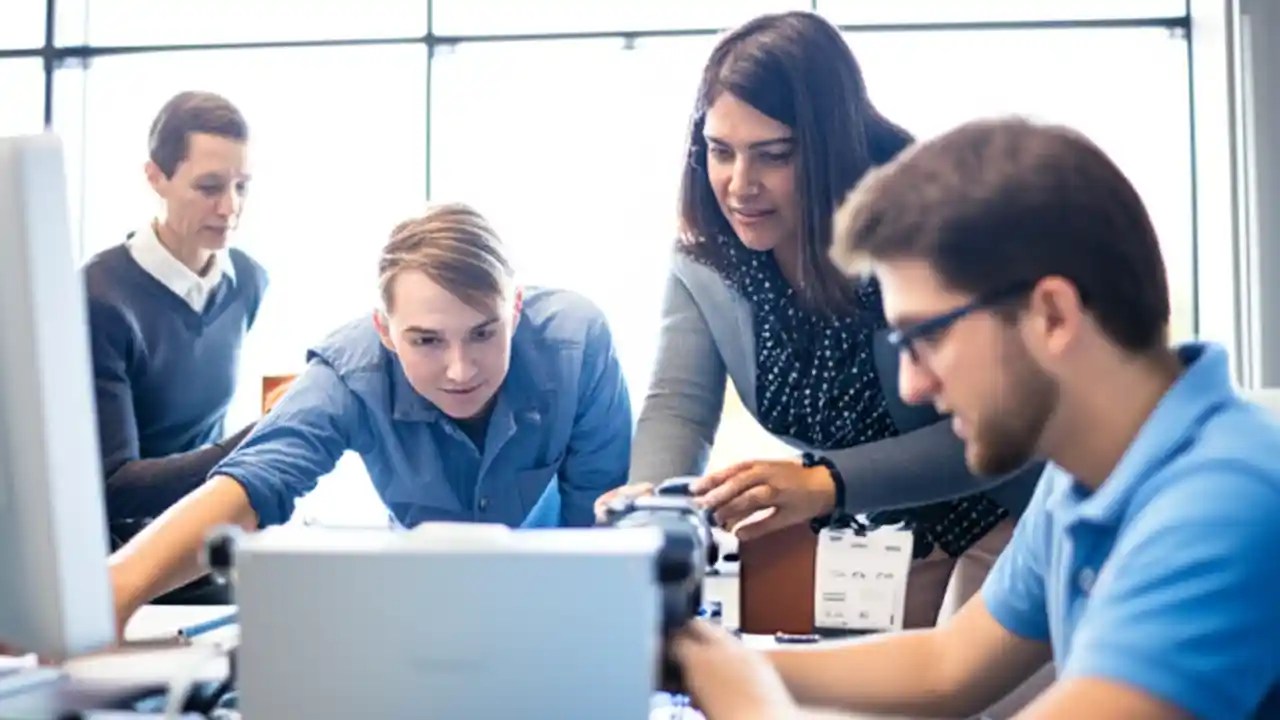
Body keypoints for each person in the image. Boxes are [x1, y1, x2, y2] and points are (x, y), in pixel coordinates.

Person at [671, 117, 1280, 720]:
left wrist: (741, 699)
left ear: (1052, 317)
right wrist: (702, 660)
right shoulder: (1086, 475)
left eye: (925, 338)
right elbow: (947, 667)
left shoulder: (1225, 501)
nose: (912, 384)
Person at [602, 10, 1042, 628]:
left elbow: (1004, 428)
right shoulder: (706, 253)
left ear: (832, 146)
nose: (739, 185)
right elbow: (678, 402)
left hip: (1014, 513)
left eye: (773, 155)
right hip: (894, 538)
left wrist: (826, 483)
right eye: (720, 152)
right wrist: (651, 508)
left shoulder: (923, 228)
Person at [107, 201, 633, 631]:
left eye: (483, 333)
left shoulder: (576, 341)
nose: (459, 369)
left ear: (513, 310)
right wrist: (115, 592)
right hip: (424, 605)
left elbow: (600, 522)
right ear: (384, 330)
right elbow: (250, 486)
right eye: (426, 340)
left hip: (555, 585)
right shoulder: (349, 371)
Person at [83, 90, 267, 604]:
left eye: (242, 186)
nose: (229, 208)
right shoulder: (97, 299)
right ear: (155, 178)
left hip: (210, 550)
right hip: (133, 571)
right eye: (209, 187)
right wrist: (250, 447)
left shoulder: (248, 281)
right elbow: (113, 486)